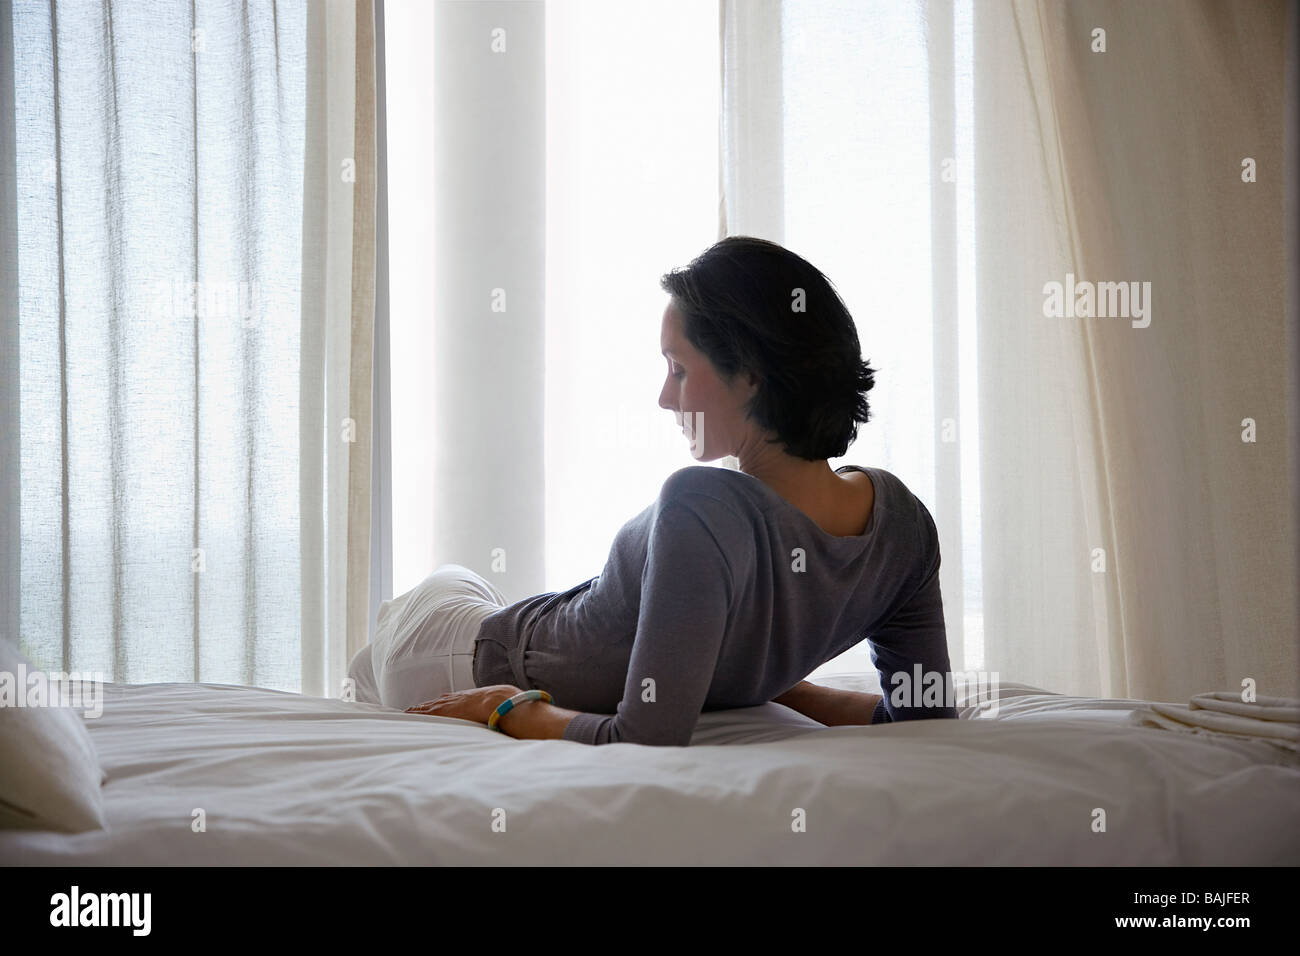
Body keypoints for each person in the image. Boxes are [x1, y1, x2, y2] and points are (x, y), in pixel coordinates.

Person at [349, 236, 959, 744]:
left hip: (463, 658)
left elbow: (643, 739)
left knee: (405, 632)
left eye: (679, 368)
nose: (665, 396)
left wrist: (509, 709)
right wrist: (767, 681)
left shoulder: (703, 505)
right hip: (488, 632)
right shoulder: (904, 524)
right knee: (431, 601)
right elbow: (921, 711)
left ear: (749, 375)